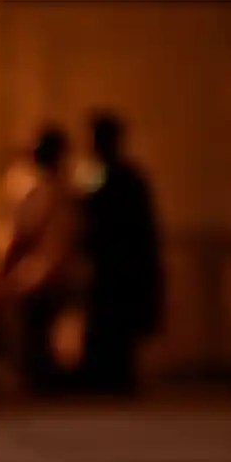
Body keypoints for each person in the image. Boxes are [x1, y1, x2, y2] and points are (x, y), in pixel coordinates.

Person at [0, 127, 87, 395]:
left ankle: (40, 377)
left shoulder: (53, 193)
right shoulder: (50, 191)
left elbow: (32, 236)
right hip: (47, 271)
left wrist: (20, 271)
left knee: (38, 326)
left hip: (48, 273)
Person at [79, 112, 163, 394]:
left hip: (119, 269)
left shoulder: (121, 179)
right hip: (109, 268)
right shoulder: (100, 177)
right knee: (107, 329)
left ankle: (113, 381)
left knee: (115, 329)